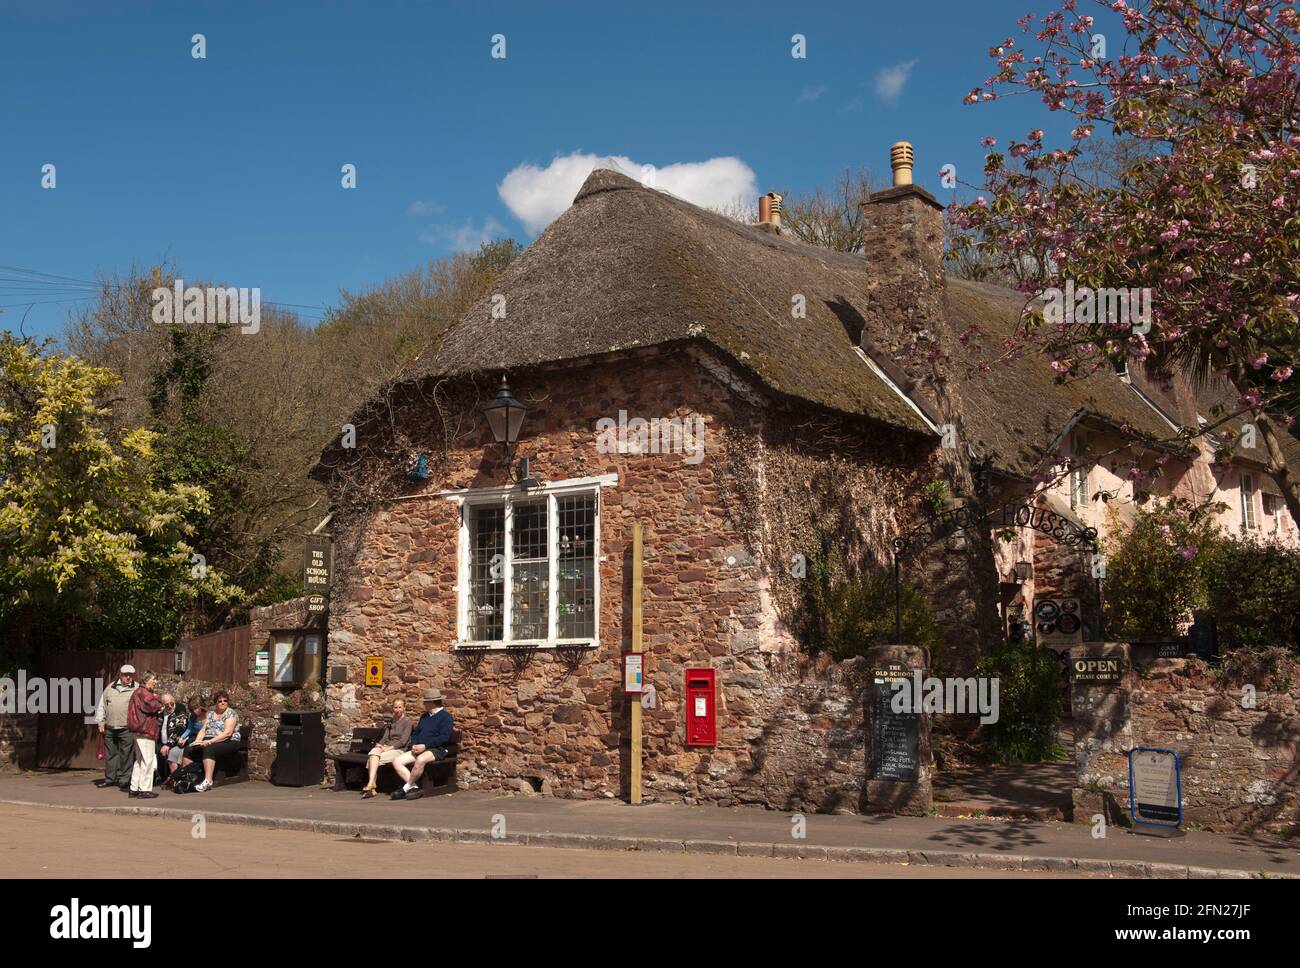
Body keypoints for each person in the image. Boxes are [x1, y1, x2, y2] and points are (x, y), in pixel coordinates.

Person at [390, 688, 453, 801]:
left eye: (425, 701)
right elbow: (416, 733)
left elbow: (444, 738)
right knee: (396, 761)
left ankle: (404, 789)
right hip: (419, 748)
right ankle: (414, 787)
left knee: (420, 759)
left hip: (436, 749)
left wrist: (425, 746)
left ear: (432, 702)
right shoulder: (424, 717)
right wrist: (414, 744)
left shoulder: (446, 717)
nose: (423, 703)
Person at [93, 664, 138, 790]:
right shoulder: (110, 687)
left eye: (130, 675)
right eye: (125, 675)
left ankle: (125, 780)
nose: (128, 677)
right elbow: (102, 704)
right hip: (110, 726)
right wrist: (100, 722)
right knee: (110, 754)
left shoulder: (137, 688)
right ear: (120, 674)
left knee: (126, 755)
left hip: (126, 727)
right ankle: (110, 779)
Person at [186, 691, 240, 793]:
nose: (223, 703)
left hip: (229, 742)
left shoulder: (231, 713)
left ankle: (208, 781)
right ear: (215, 703)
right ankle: (189, 777)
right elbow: (203, 729)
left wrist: (209, 741)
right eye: (220, 701)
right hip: (212, 740)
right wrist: (198, 740)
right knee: (189, 749)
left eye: (225, 701)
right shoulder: (211, 714)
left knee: (209, 748)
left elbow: (227, 733)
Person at [361, 698, 412, 799]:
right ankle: (371, 783)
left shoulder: (407, 722)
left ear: (404, 708)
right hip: (386, 747)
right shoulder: (391, 722)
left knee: (372, 759)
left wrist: (389, 748)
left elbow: (403, 741)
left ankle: (371, 787)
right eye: (395, 707)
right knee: (373, 752)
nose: (397, 710)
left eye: (399, 707)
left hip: (399, 750)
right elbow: (385, 737)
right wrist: (379, 745)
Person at [127, 672, 163, 799]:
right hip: (146, 730)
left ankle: (134, 788)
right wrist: (159, 700)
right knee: (148, 760)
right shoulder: (144, 693)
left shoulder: (138, 692)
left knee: (139, 760)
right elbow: (153, 706)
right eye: (153, 679)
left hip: (138, 730)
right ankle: (145, 789)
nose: (155, 682)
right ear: (146, 680)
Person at [156, 693, 189, 783]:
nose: (170, 706)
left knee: (172, 753)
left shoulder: (179, 708)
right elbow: (157, 728)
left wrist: (168, 744)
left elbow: (180, 728)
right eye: (167, 705)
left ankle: (175, 781)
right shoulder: (162, 714)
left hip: (176, 742)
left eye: (172, 703)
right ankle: (164, 779)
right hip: (162, 743)